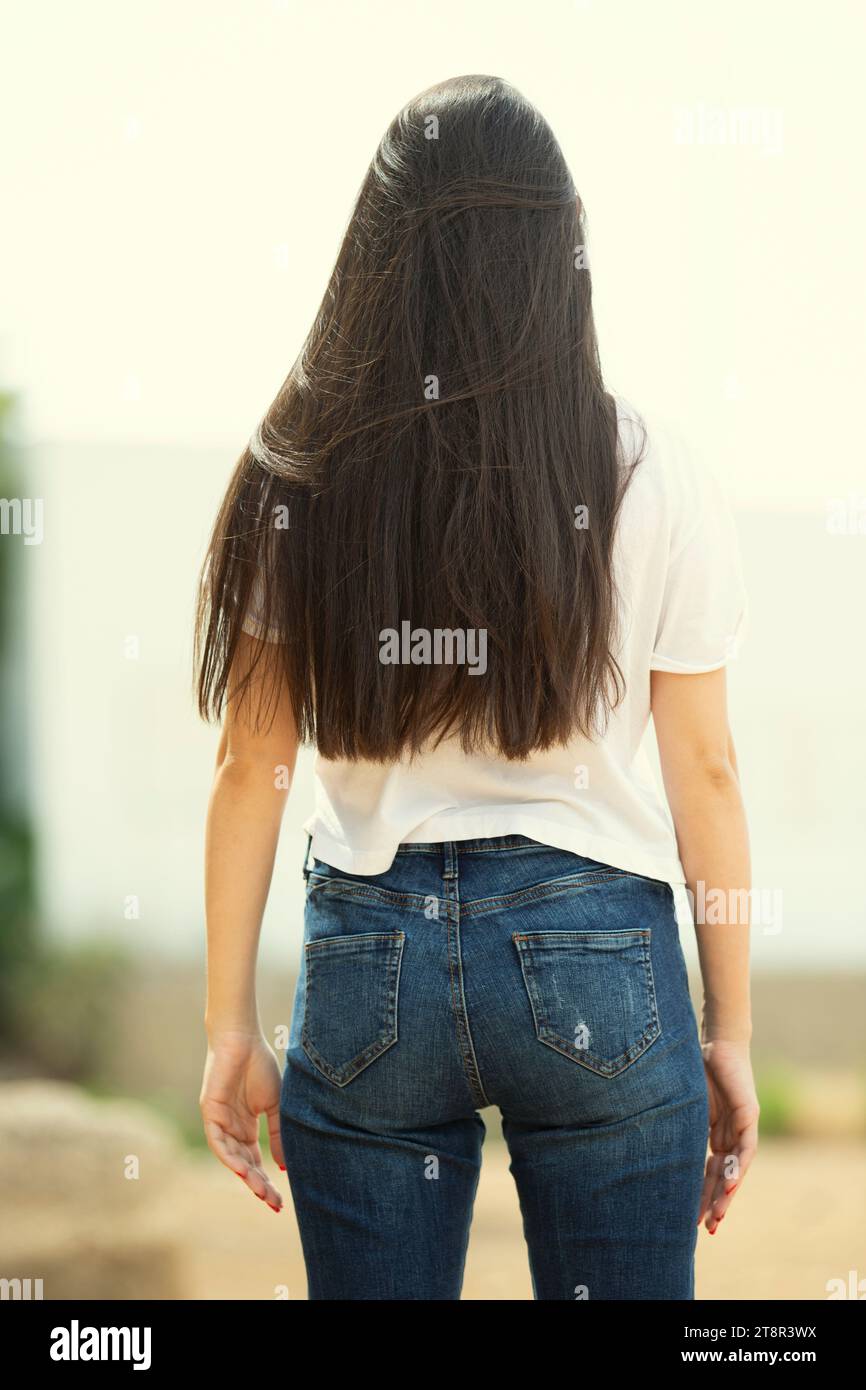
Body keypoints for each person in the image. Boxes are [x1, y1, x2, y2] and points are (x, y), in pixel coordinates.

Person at [195, 74, 757, 1301]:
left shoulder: (296, 469)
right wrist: (730, 1031)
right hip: (600, 955)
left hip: (365, 965)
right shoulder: (647, 470)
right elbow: (702, 769)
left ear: (375, 254)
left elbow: (252, 764)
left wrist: (229, 1026)